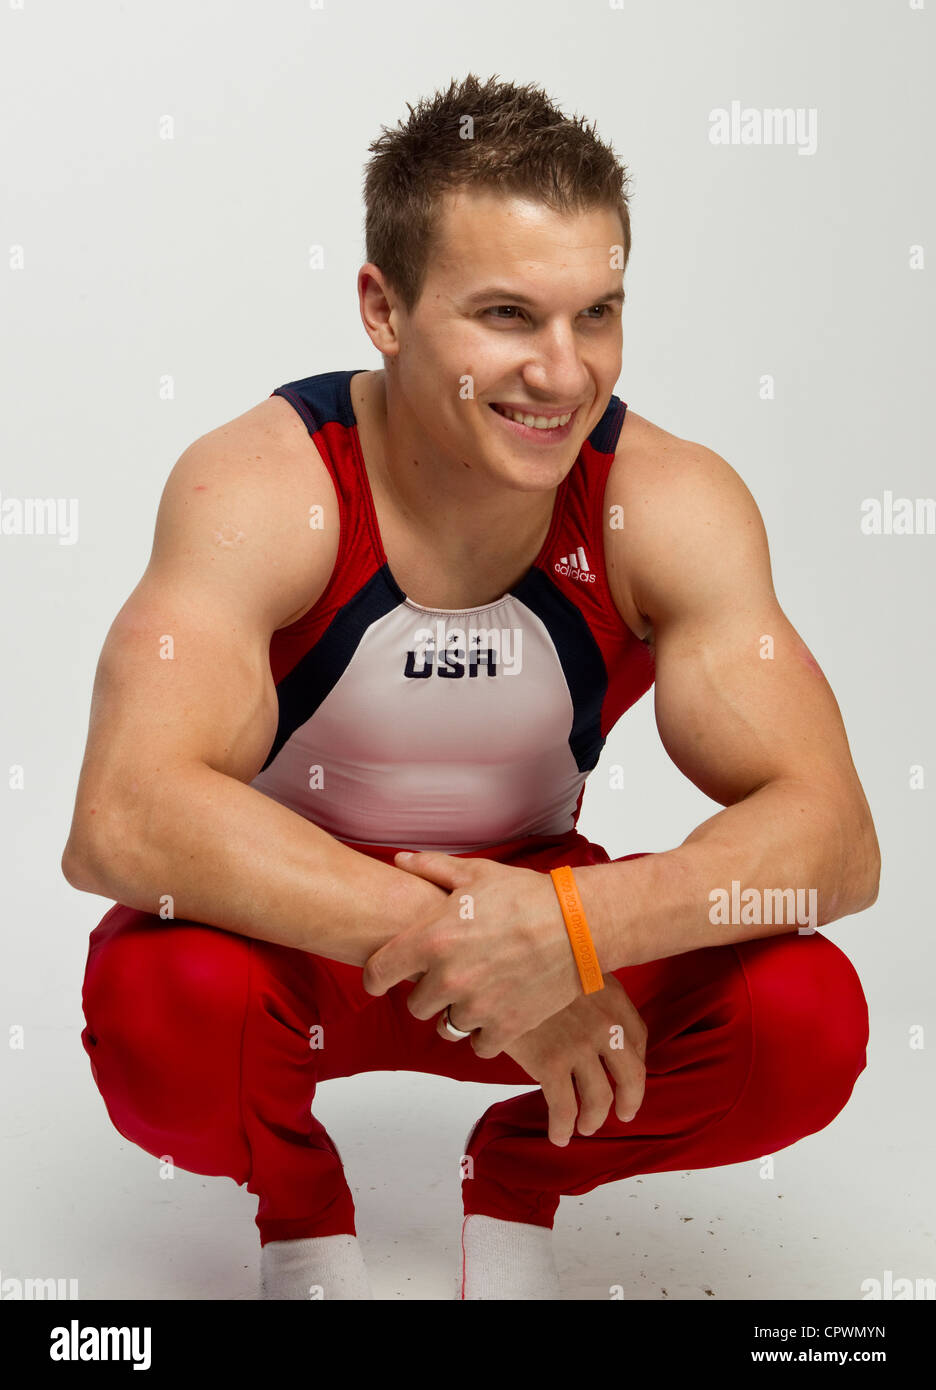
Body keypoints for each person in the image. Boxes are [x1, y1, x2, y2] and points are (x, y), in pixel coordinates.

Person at [62, 74, 879, 1301]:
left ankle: (519, 1186)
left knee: (805, 1014)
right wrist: (484, 952)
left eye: (596, 313)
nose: (563, 372)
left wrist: (574, 933)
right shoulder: (258, 489)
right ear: (383, 310)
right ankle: (301, 1214)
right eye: (507, 316)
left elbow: (834, 842)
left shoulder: (666, 503)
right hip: (299, 936)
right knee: (159, 996)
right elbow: (121, 819)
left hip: (545, 920)